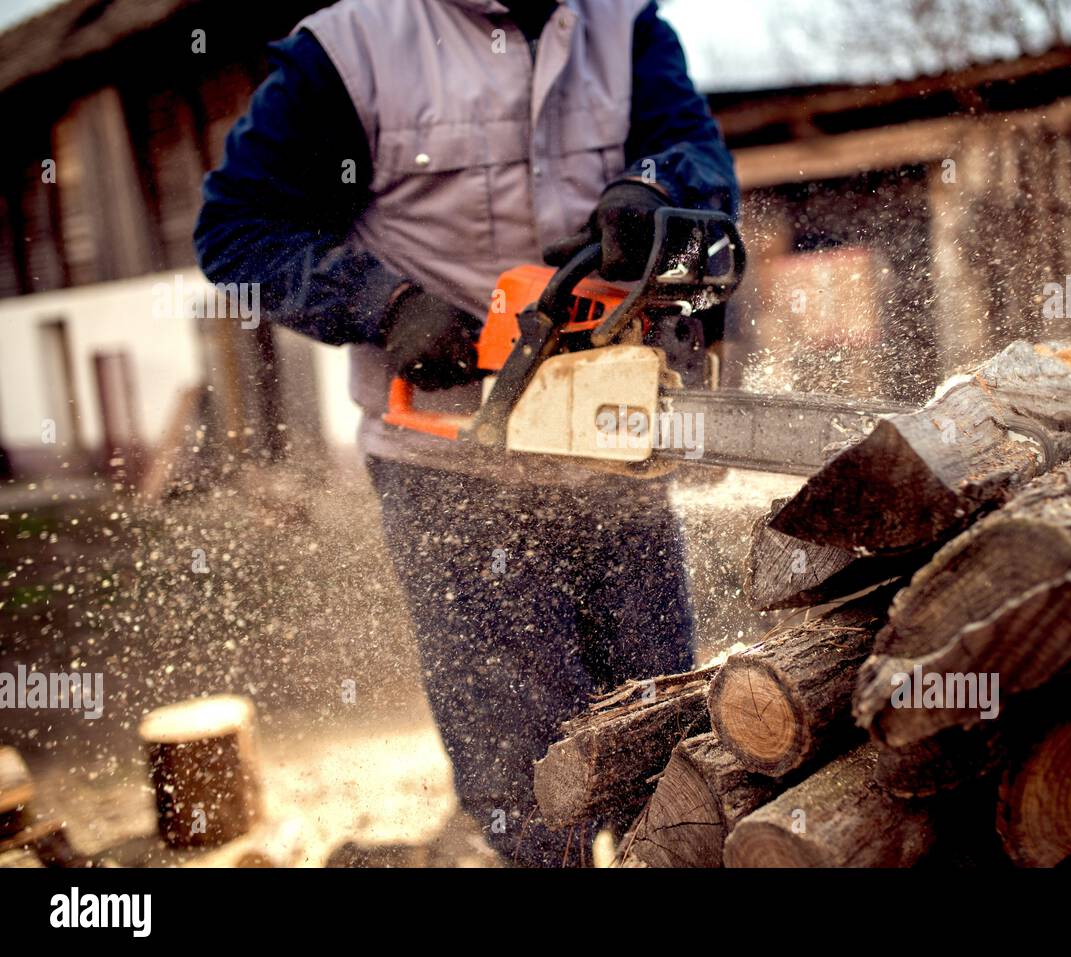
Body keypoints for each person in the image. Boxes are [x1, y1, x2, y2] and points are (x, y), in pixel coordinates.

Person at [194, 0, 738, 865]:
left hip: (612, 436)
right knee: (521, 766)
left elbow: (700, 157)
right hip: (447, 460)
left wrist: (656, 187)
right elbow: (237, 232)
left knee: (665, 722)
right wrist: (384, 304)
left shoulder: (624, 24)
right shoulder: (350, 47)